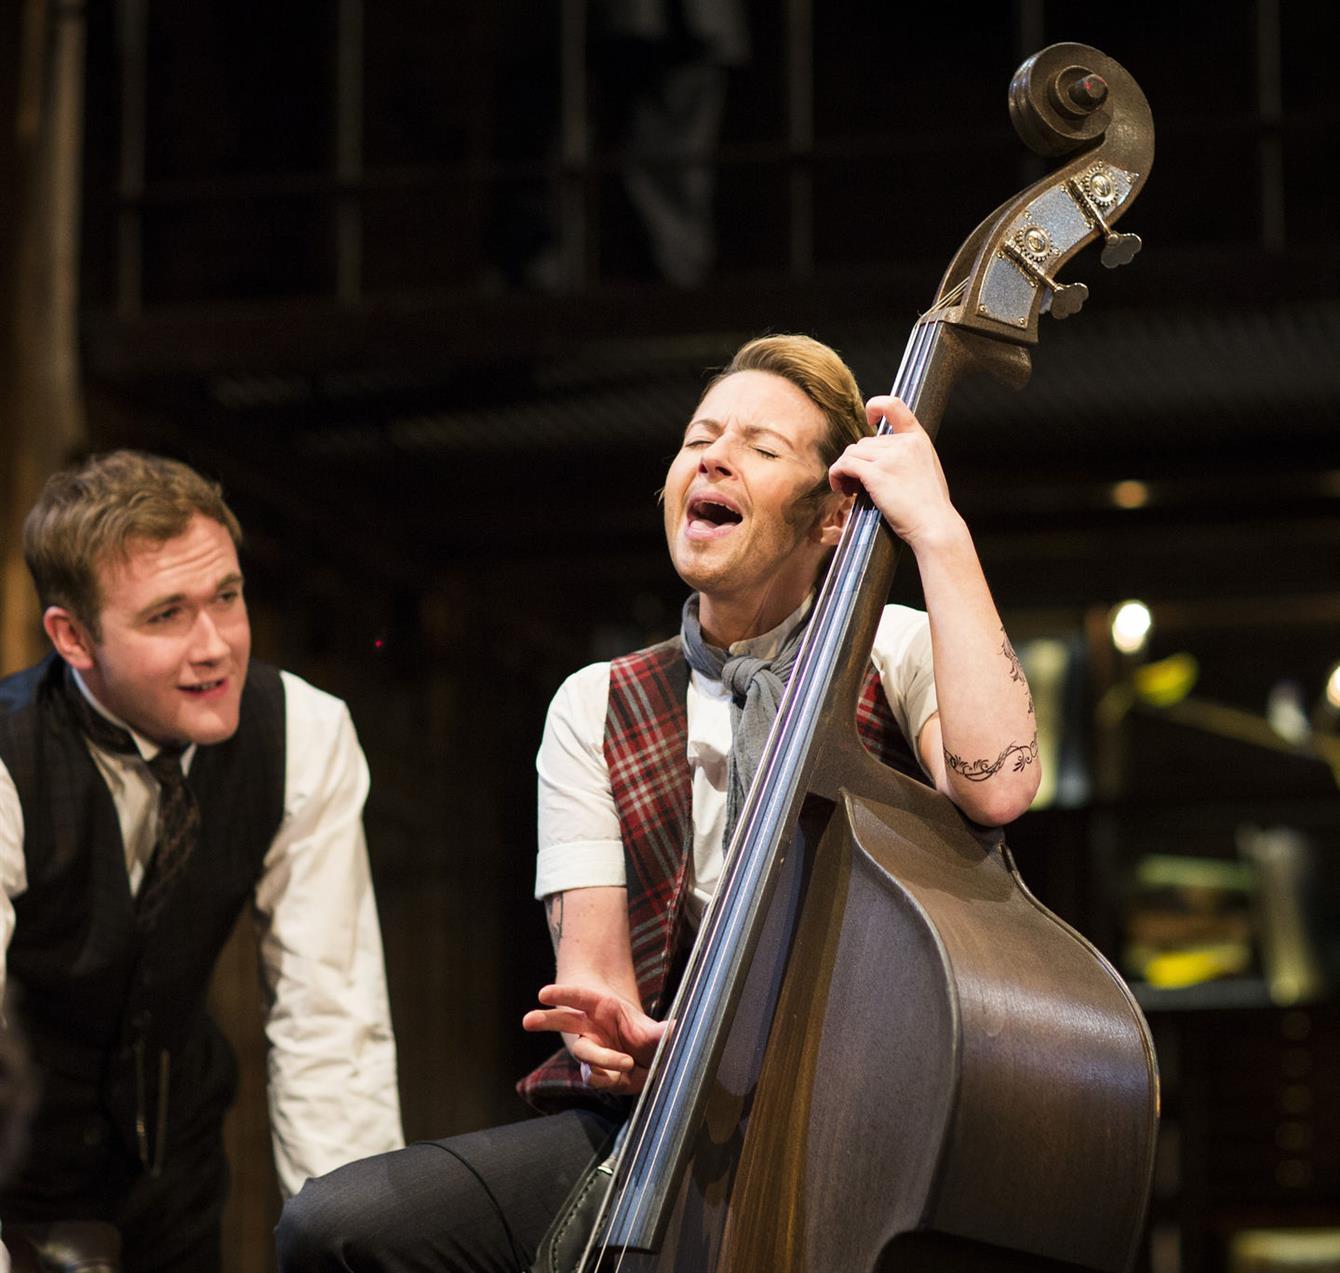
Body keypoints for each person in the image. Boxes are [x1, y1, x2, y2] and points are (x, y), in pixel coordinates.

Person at [275, 333, 1039, 1271]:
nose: (712, 455)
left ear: (833, 515)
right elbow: (597, 987)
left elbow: (999, 784)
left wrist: (938, 531)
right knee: (340, 1226)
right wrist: (619, 1039)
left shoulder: (901, 651)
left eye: (760, 447)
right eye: (698, 439)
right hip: (657, 1118)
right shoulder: (598, 701)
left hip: (868, 1123)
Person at [0, 452, 404, 1272]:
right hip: (15, 1176)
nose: (215, 645)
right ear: (72, 636)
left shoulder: (303, 733)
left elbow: (330, 1019)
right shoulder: (7, 760)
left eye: (226, 595)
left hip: (173, 1171)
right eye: (166, 615)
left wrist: (351, 1249)